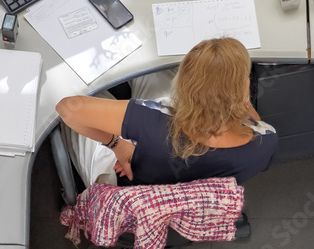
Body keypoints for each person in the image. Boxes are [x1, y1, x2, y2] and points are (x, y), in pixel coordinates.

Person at [57, 37, 277, 187]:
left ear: (182, 86)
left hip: (128, 192)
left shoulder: (151, 122)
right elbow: (251, 120)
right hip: (187, 199)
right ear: (243, 89)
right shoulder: (266, 142)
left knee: (72, 88)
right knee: (150, 75)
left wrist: (117, 145)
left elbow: (67, 109)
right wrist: (238, 98)